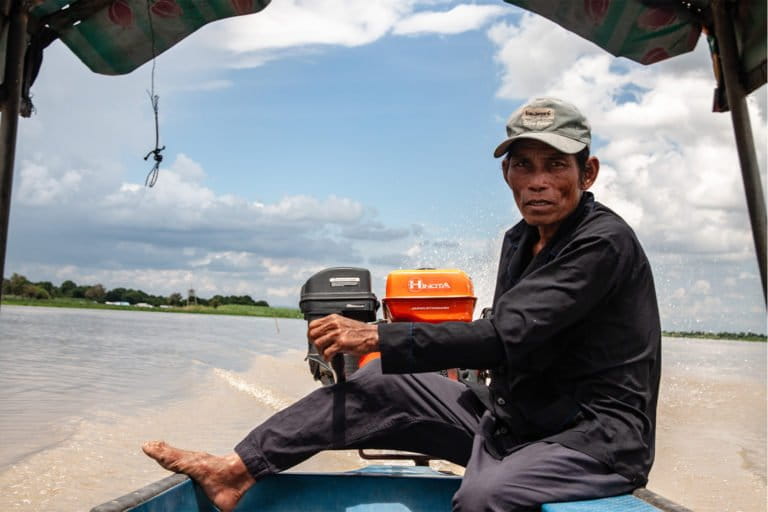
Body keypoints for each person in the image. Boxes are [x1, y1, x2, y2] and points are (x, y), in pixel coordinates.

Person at [143, 97, 661, 512]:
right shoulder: (520, 239)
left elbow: (506, 335)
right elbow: (505, 340)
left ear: (587, 172)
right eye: (523, 165)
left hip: (594, 439)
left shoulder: (603, 243)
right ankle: (234, 472)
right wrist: (395, 355)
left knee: (486, 497)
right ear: (508, 176)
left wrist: (375, 336)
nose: (538, 180)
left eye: (555, 165)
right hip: (517, 422)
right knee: (379, 382)